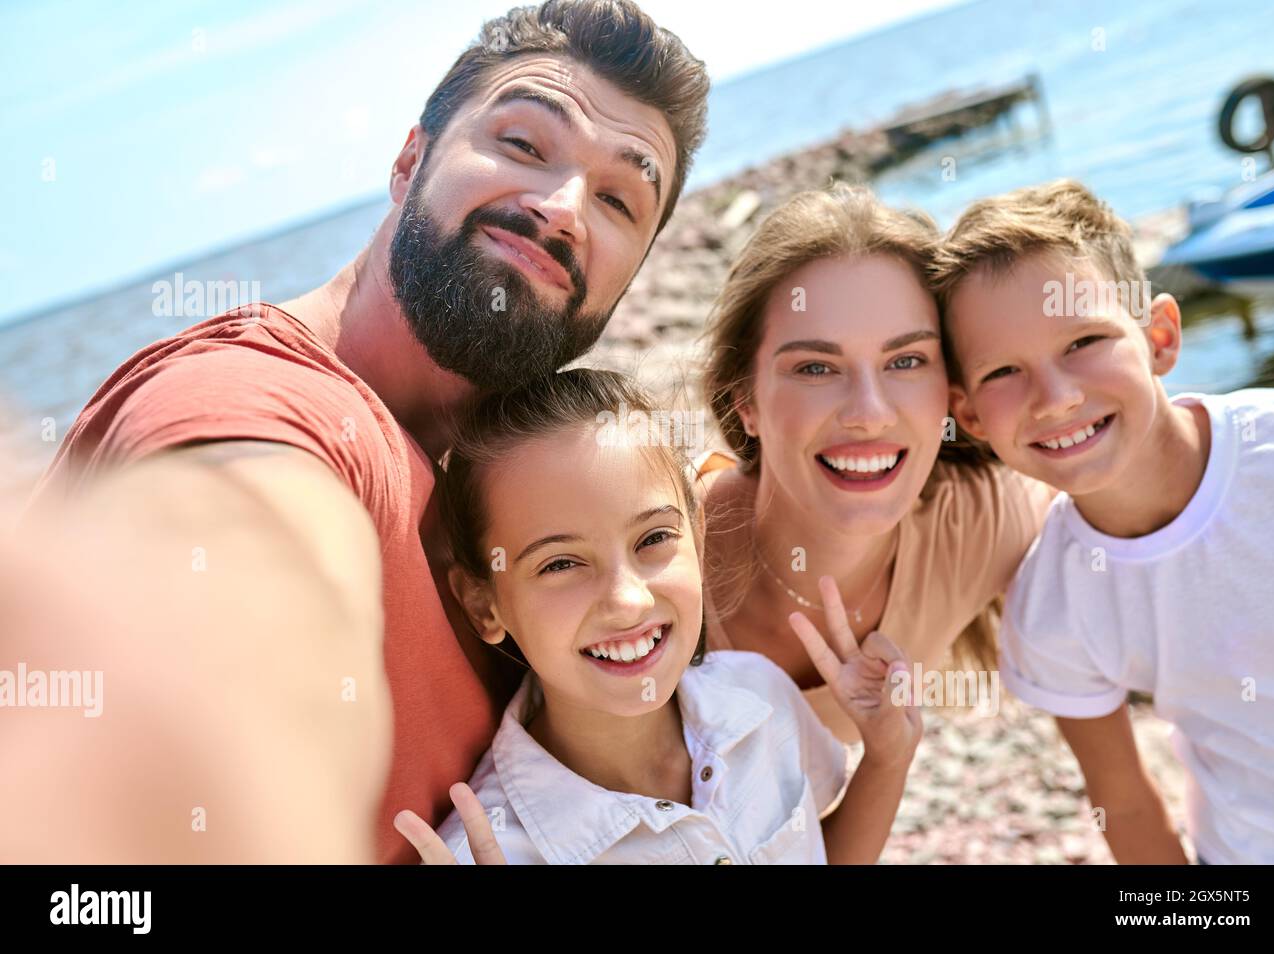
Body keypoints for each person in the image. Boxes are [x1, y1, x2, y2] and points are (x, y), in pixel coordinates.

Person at [8, 0, 709, 863]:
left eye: (618, 198)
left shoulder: (521, 484)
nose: (563, 206)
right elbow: (242, 558)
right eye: (524, 145)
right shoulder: (251, 403)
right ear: (410, 158)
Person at [392, 368, 921, 864]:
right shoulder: (497, 849)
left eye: (653, 538)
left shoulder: (760, 697)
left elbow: (824, 849)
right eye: (560, 564)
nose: (629, 600)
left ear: (698, 534)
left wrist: (887, 756)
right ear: (485, 605)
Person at [935, 178, 1274, 864]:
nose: (1056, 397)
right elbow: (1124, 801)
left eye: (1083, 342)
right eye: (1005, 370)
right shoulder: (1055, 607)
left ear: (1159, 337)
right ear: (973, 416)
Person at [694, 184, 1054, 756]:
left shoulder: (974, 524)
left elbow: (1128, 498)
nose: (869, 413)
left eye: (906, 361)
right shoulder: (652, 553)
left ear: (951, 391)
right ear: (746, 401)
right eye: (815, 367)